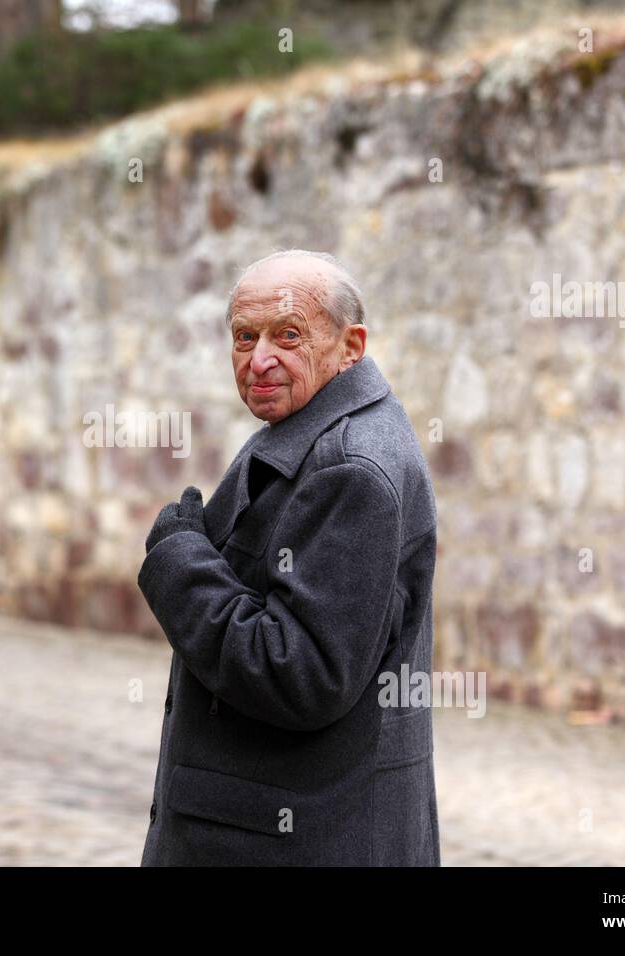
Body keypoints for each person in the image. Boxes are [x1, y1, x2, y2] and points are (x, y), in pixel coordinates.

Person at [138, 249, 441, 865]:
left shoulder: (351, 467)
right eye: (245, 337)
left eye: (288, 335)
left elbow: (299, 673)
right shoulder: (319, 427)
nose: (259, 359)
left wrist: (179, 562)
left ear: (350, 345)